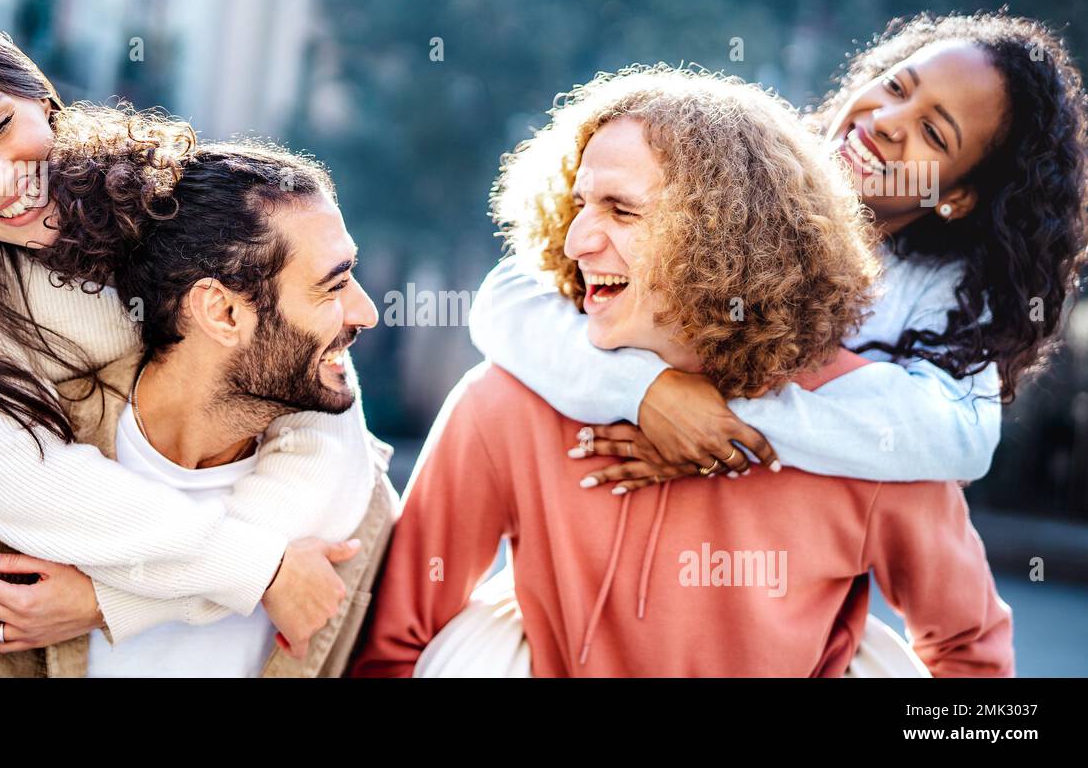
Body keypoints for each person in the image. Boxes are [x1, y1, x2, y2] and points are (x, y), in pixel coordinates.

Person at [352, 67, 1013, 677]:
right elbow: (391, 652)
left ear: (724, 237)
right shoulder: (505, 404)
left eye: (621, 209)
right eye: (581, 203)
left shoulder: (871, 436)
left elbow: (972, 659)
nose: (577, 239)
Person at [0, 6, 373, 657]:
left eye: (0, 125)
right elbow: (33, 491)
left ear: (38, 93)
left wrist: (111, 602)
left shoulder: (166, 191)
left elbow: (326, 422)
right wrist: (259, 568)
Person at [468, 12, 1087, 488]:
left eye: (932, 131)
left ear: (961, 196)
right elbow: (505, 300)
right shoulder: (739, 167)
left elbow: (958, 437)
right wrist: (649, 392)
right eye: (896, 86)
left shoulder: (942, 291)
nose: (889, 120)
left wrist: (721, 427)